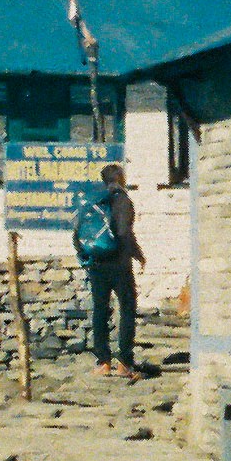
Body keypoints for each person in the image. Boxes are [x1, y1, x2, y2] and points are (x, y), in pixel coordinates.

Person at [74, 161, 145, 377]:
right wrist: (137, 254)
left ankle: (103, 362)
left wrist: (86, 256)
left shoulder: (94, 201)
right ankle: (124, 362)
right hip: (119, 264)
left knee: (100, 310)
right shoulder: (122, 200)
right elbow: (124, 233)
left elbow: (77, 232)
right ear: (121, 179)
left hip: (96, 263)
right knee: (127, 308)